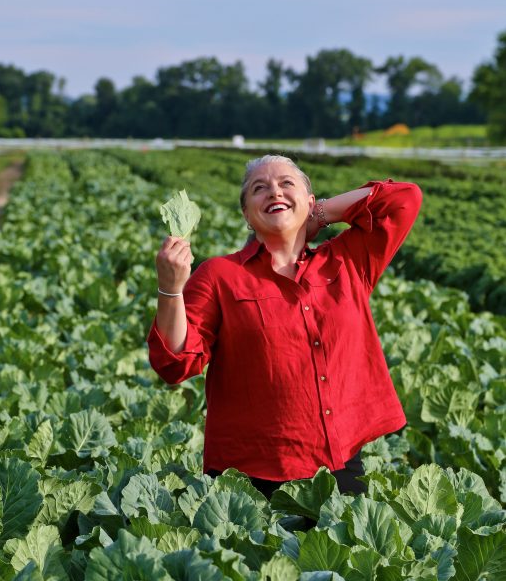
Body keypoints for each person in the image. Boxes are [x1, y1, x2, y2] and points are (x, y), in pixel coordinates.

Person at [147, 154, 423, 499]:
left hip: (338, 464)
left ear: (309, 201)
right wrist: (170, 288)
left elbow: (404, 198)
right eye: (259, 189)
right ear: (247, 215)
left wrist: (319, 214)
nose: (274, 192)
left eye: (286, 184)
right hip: (249, 474)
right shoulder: (220, 275)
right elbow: (175, 363)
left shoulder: (346, 261)